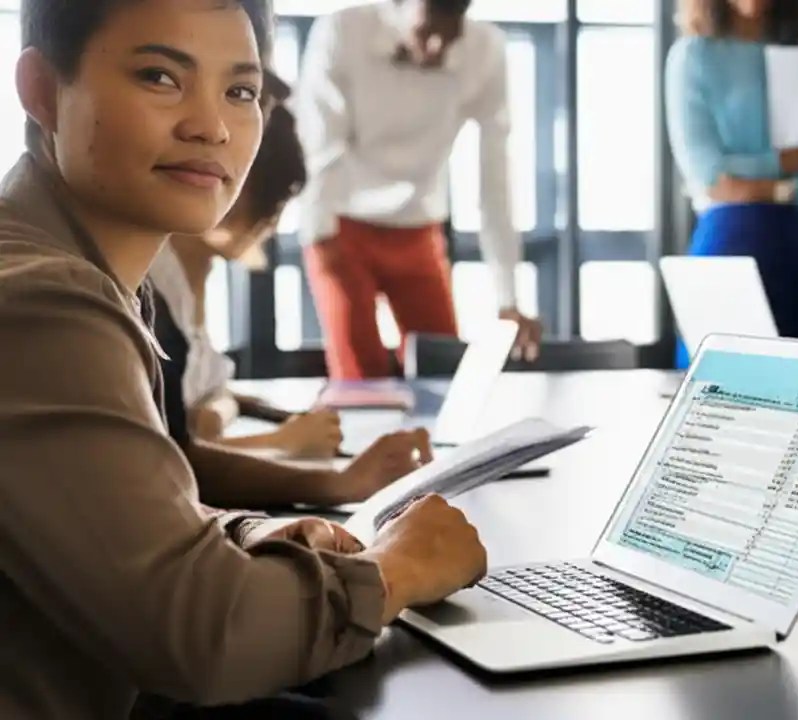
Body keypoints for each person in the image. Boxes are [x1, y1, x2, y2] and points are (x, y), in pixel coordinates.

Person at [0, 2, 487, 717]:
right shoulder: (45, 302)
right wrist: (398, 568)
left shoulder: (85, 276)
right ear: (43, 92)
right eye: (160, 76)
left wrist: (253, 532)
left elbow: (95, 527)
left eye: (241, 91)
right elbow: (202, 640)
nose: (212, 127)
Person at [294, 0, 541, 380]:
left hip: (419, 225)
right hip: (341, 224)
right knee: (361, 378)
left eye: (450, 33)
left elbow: (495, 177)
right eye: (427, 32)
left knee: (442, 372)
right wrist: (319, 235)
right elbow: (321, 149)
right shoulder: (342, 31)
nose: (437, 48)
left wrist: (508, 298)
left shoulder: (486, 50)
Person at [151, 73, 345, 460]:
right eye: (270, 209)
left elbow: (211, 392)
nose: (269, 228)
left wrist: (217, 411)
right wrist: (282, 443)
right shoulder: (155, 277)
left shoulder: (191, 269)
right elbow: (169, 454)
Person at [667, 0, 798, 366]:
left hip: (794, 247)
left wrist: (758, 181)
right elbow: (712, 177)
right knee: (715, 393)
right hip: (727, 246)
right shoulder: (693, 57)